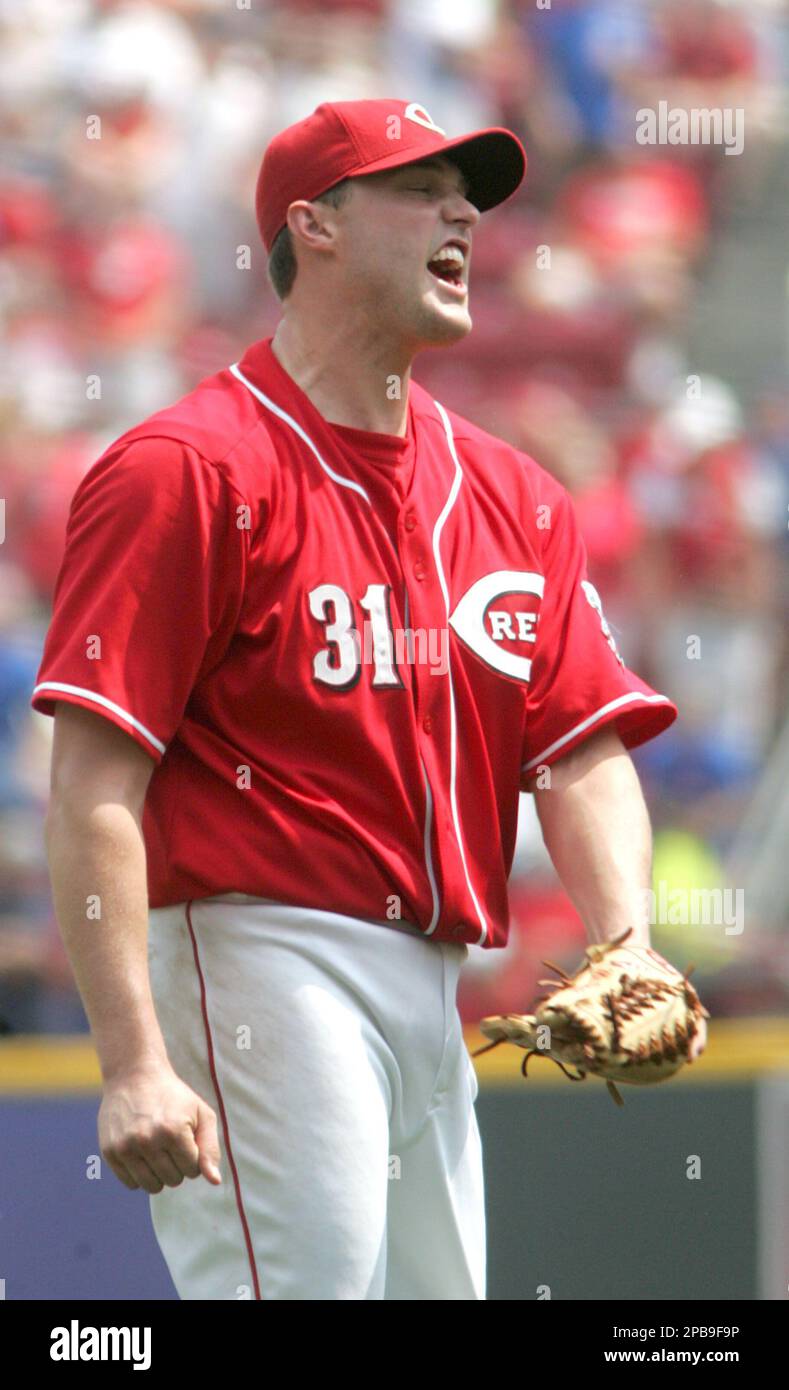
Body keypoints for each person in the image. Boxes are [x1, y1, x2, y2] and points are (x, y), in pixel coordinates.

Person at [32, 98, 703, 1302]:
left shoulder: (518, 496)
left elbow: (581, 746)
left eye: (473, 194)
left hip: (434, 980)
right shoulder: (190, 469)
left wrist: (628, 941)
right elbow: (93, 783)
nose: (463, 211)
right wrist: (133, 1057)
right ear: (315, 226)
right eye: (418, 186)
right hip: (255, 948)